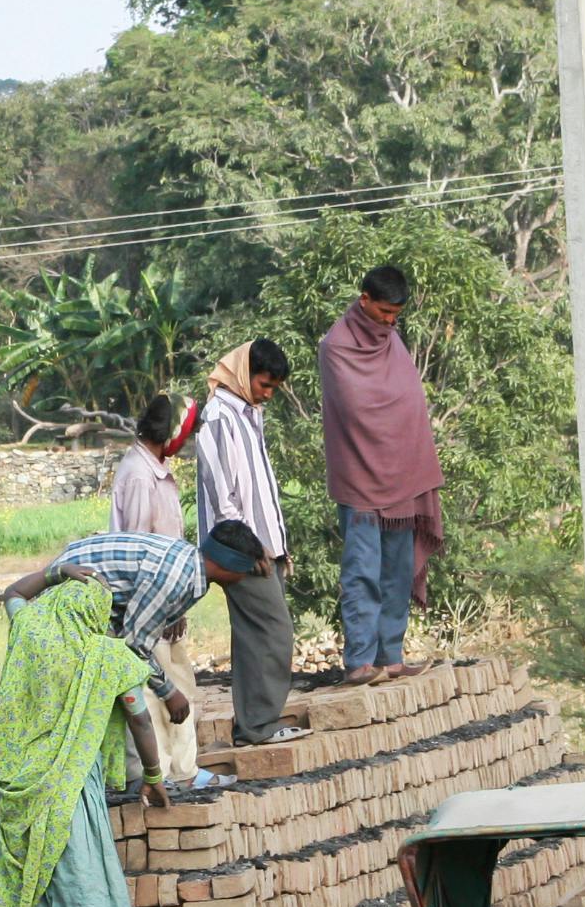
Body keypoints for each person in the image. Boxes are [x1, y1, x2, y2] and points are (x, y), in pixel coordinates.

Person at [0, 578, 173, 907]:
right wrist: (152, 776)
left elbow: (13, 594)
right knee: (79, 878)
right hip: (72, 786)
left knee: (34, 876)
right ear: (96, 614)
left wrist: (57, 572)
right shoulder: (108, 657)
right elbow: (140, 719)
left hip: (24, 782)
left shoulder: (31, 631)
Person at [0, 524, 264, 748]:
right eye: (246, 569)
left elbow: (13, 593)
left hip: (80, 594)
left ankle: (136, 775)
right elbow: (134, 645)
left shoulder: (189, 563)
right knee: (107, 701)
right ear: (229, 566)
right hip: (68, 606)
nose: (247, 576)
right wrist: (169, 692)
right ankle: (135, 777)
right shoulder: (173, 579)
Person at [318, 266, 445, 687]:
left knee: (397, 568)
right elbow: (359, 411)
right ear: (365, 299)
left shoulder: (393, 341)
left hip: (403, 478)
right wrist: (396, 420)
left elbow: (407, 397)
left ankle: (391, 656)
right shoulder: (336, 346)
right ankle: (359, 662)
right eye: (386, 311)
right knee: (362, 571)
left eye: (397, 314)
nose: (391, 320)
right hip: (361, 478)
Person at [108, 396, 232, 795]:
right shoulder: (139, 476)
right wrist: (162, 604)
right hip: (148, 600)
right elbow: (139, 546)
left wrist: (177, 602)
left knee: (180, 682)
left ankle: (184, 769)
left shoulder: (156, 470)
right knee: (150, 688)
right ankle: (156, 773)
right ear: (172, 432)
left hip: (170, 596)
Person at [197, 341, 307, 747]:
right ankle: (259, 724)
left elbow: (261, 490)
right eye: (265, 384)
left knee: (253, 636)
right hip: (243, 551)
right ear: (246, 374)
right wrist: (250, 546)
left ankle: (254, 724)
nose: (268, 393)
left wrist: (278, 545)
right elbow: (222, 493)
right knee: (274, 631)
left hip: (265, 547)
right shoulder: (218, 416)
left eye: (274, 387)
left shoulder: (249, 413)